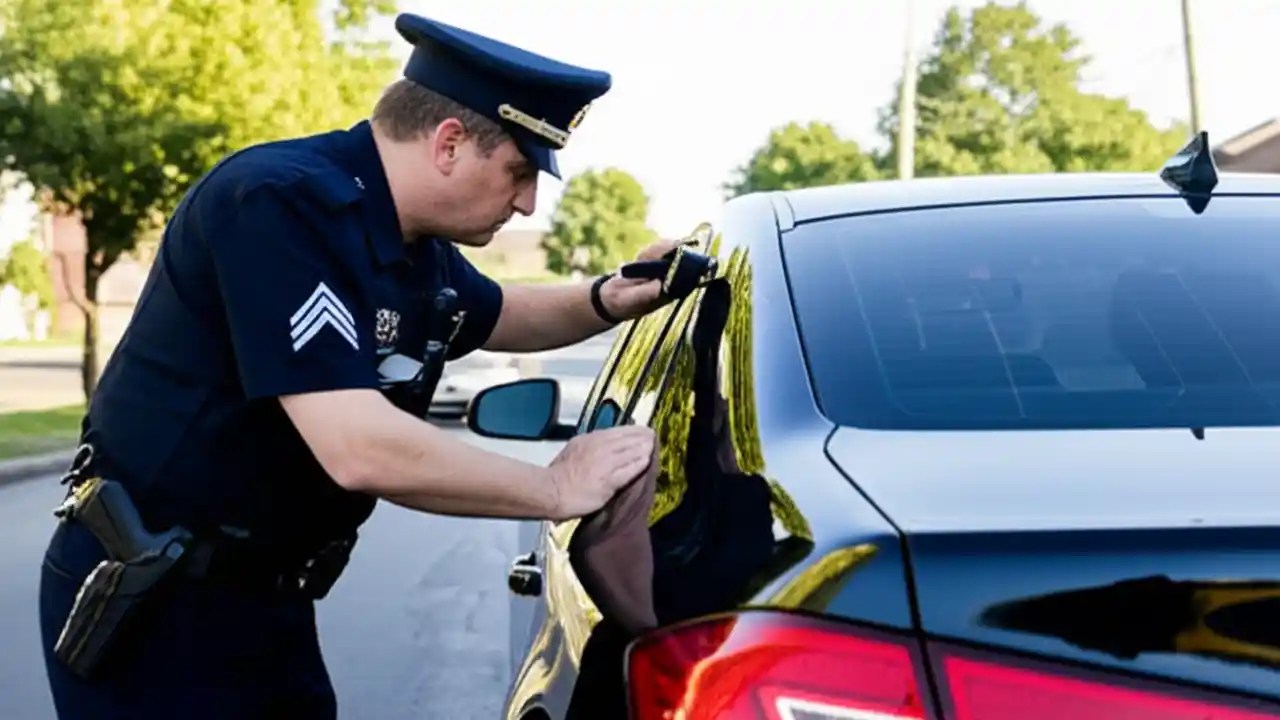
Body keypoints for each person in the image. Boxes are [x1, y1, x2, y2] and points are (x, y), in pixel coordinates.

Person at [38, 12, 669, 719]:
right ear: (449, 144)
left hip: (261, 601)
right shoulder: (279, 204)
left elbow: (501, 314)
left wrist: (610, 297)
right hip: (158, 601)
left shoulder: (405, 239)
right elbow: (358, 445)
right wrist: (554, 489)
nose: (527, 203)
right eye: (519, 172)